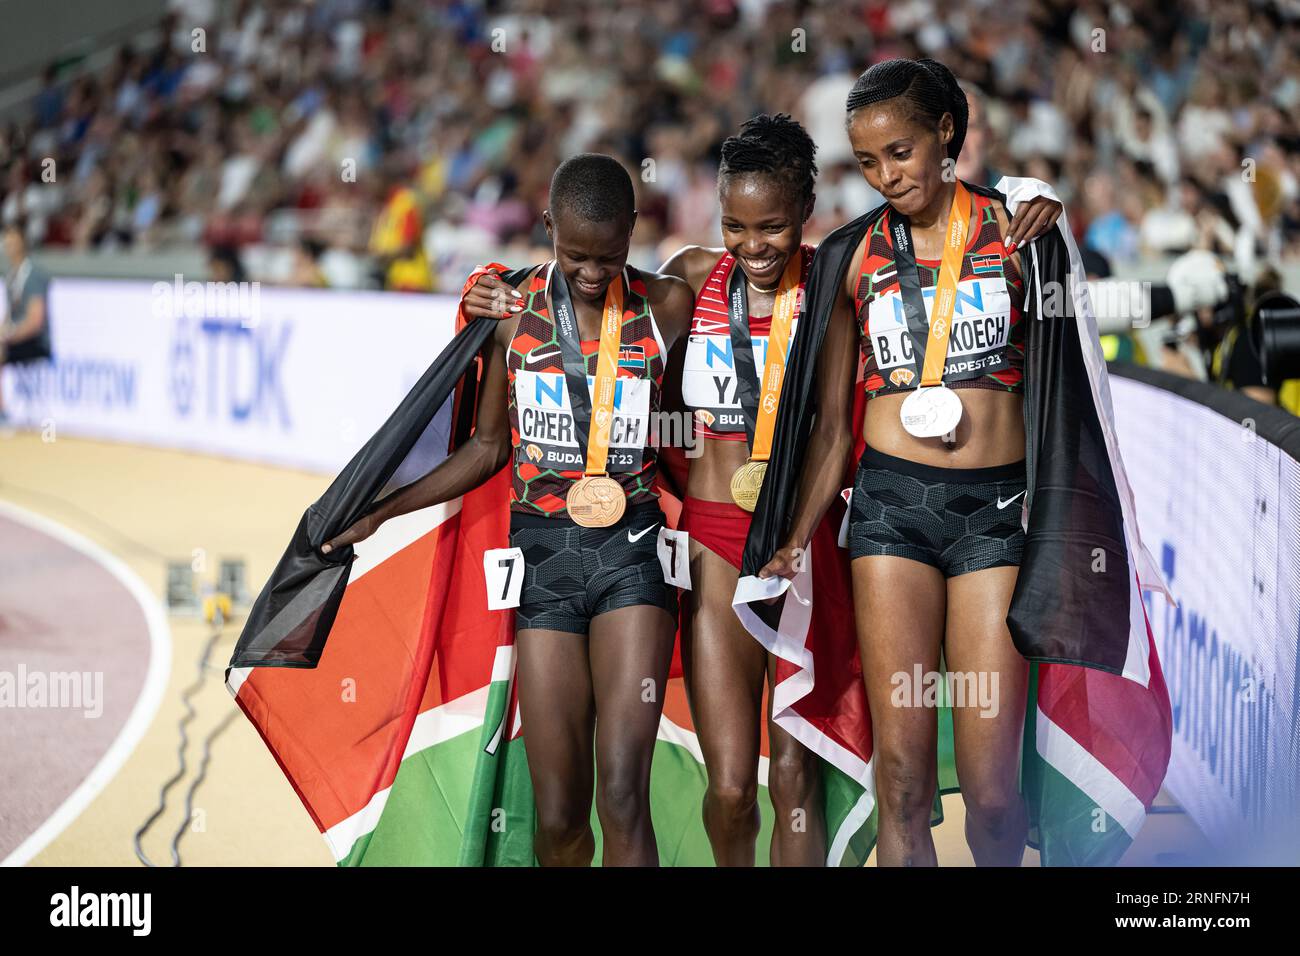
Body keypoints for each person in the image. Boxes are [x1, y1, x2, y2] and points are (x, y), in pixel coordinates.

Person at [460, 116, 1064, 866]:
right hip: (713, 544)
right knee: (731, 790)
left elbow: (885, 363)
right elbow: (590, 321)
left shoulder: (839, 274)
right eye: (736, 225)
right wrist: (484, 292)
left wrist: (1031, 194)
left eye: (773, 226)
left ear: (806, 211)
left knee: (794, 774)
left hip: (803, 545)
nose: (754, 245)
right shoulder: (684, 279)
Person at [749, 58, 1167, 867]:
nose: (885, 176)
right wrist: (797, 533)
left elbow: (1075, 369)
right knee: (902, 782)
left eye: (899, 153)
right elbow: (832, 428)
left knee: (993, 792)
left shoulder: (1021, 233)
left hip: (997, 518)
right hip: (888, 514)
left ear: (947, 132)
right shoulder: (851, 254)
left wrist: (1054, 218)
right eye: (867, 162)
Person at [323, 154, 695, 866]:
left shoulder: (666, 305)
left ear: (633, 231)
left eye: (609, 255)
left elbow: (748, 272)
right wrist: (381, 511)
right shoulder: (510, 311)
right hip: (543, 563)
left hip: (634, 557)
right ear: (548, 225)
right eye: (575, 254)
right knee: (557, 814)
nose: (592, 272)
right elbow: (488, 448)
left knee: (622, 795)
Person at [1, 218, 52, 425]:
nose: (7, 244)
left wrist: (7, 336)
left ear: (22, 242)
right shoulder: (12, 275)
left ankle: (2, 412)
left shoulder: (33, 276)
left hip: (36, 343)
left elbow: (35, 322)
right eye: (6, 239)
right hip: (16, 340)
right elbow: (9, 316)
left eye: (12, 239)